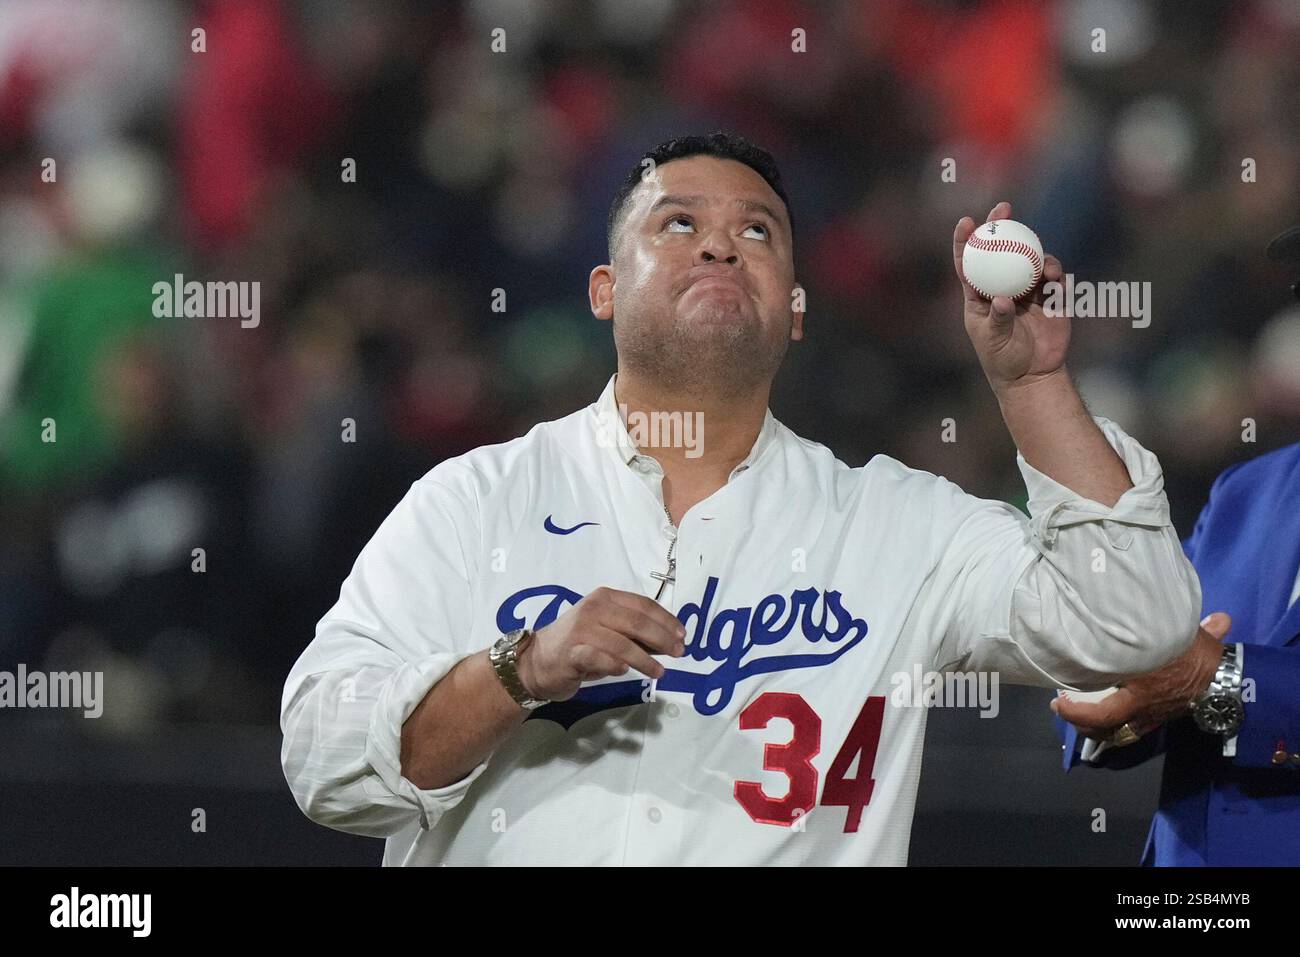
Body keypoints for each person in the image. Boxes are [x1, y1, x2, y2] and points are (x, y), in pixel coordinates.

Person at [280, 131, 1200, 865]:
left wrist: (1032, 385)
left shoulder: (896, 523)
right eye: (677, 224)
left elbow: (1132, 620)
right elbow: (322, 762)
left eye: (758, 230)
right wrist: (518, 669)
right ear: (604, 290)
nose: (722, 240)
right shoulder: (473, 500)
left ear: (796, 309)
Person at [1052, 223, 1300, 866]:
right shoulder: (1245, 493)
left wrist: (1212, 679)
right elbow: (1130, 643)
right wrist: (1115, 695)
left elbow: (1192, 667)